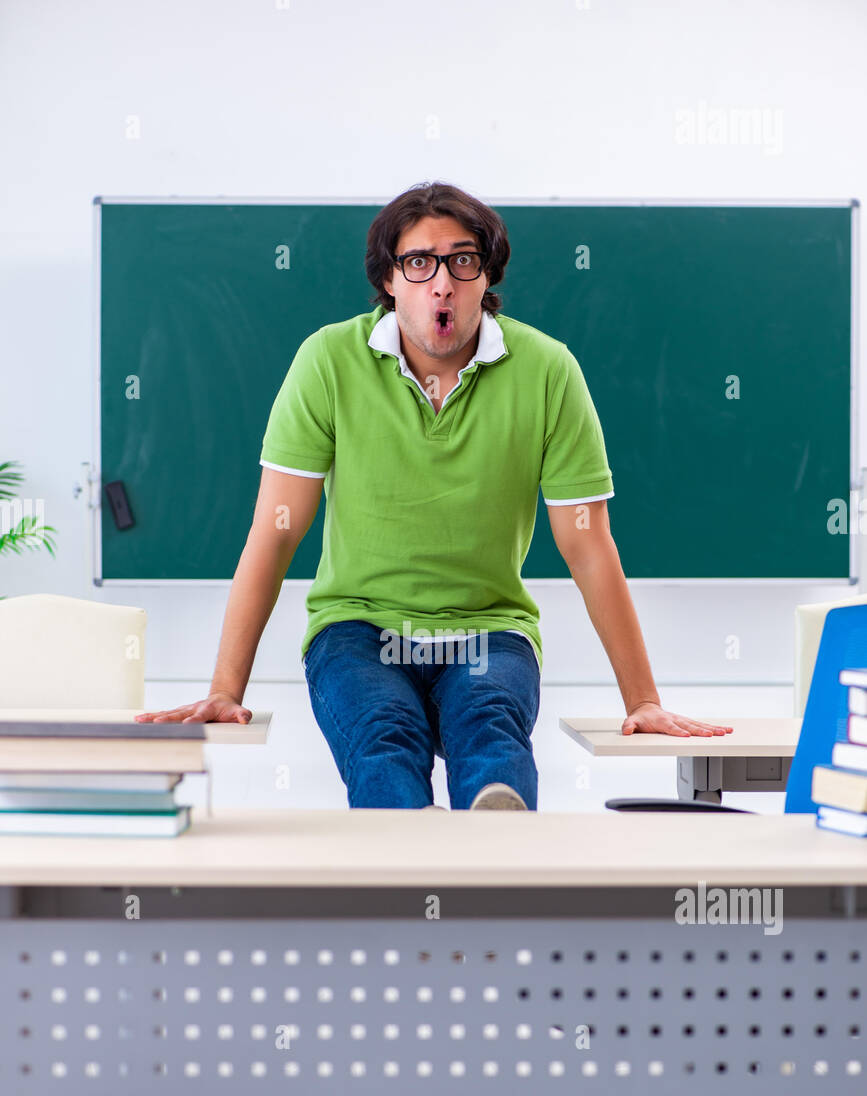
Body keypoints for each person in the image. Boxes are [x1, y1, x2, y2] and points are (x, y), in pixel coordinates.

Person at [136, 181, 731, 808]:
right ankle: (407, 875)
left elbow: (587, 544)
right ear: (390, 281)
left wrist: (643, 700)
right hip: (357, 629)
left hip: (486, 630)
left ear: (486, 275)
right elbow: (276, 530)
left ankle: (493, 851)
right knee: (383, 737)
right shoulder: (328, 362)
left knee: (490, 729)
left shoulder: (549, 371)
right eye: (418, 263)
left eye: (461, 260)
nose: (441, 283)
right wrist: (226, 688)